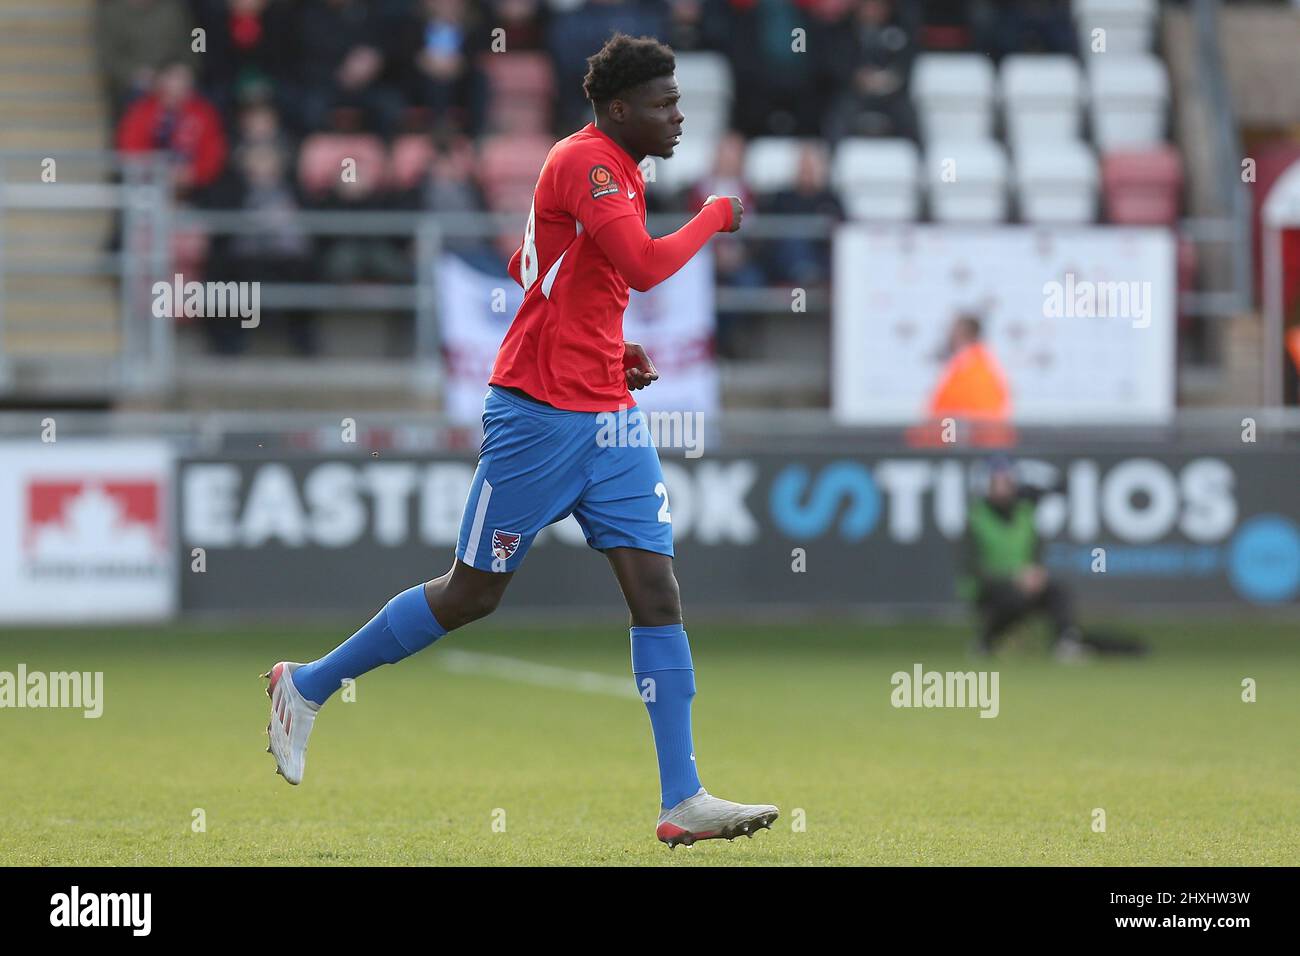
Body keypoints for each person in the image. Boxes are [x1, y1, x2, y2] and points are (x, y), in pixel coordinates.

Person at [263, 32, 779, 849]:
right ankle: (309, 684)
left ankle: (682, 796)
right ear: (618, 109)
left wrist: (611, 351)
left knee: (657, 593)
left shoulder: (613, 170)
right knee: (472, 595)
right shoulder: (590, 163)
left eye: (679, 101)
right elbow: (641, 268)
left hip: (606, 414)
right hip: (538, 417)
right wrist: (717, 214)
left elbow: (531, 266)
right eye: (664, 103)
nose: (679, 116)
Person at [960, 455, 1089, 661]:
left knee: (1059, 592)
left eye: (1007, 482)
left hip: (1025, 582)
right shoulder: (976, 517)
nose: (1003, 488)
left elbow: (1036, 552)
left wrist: (1035, 573)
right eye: (997, 482)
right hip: (990, 586)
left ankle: (1065, 642)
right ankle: (985, 643)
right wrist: (1014, 578)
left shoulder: (1025, 513)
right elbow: (971, 567)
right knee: (1013, 598)